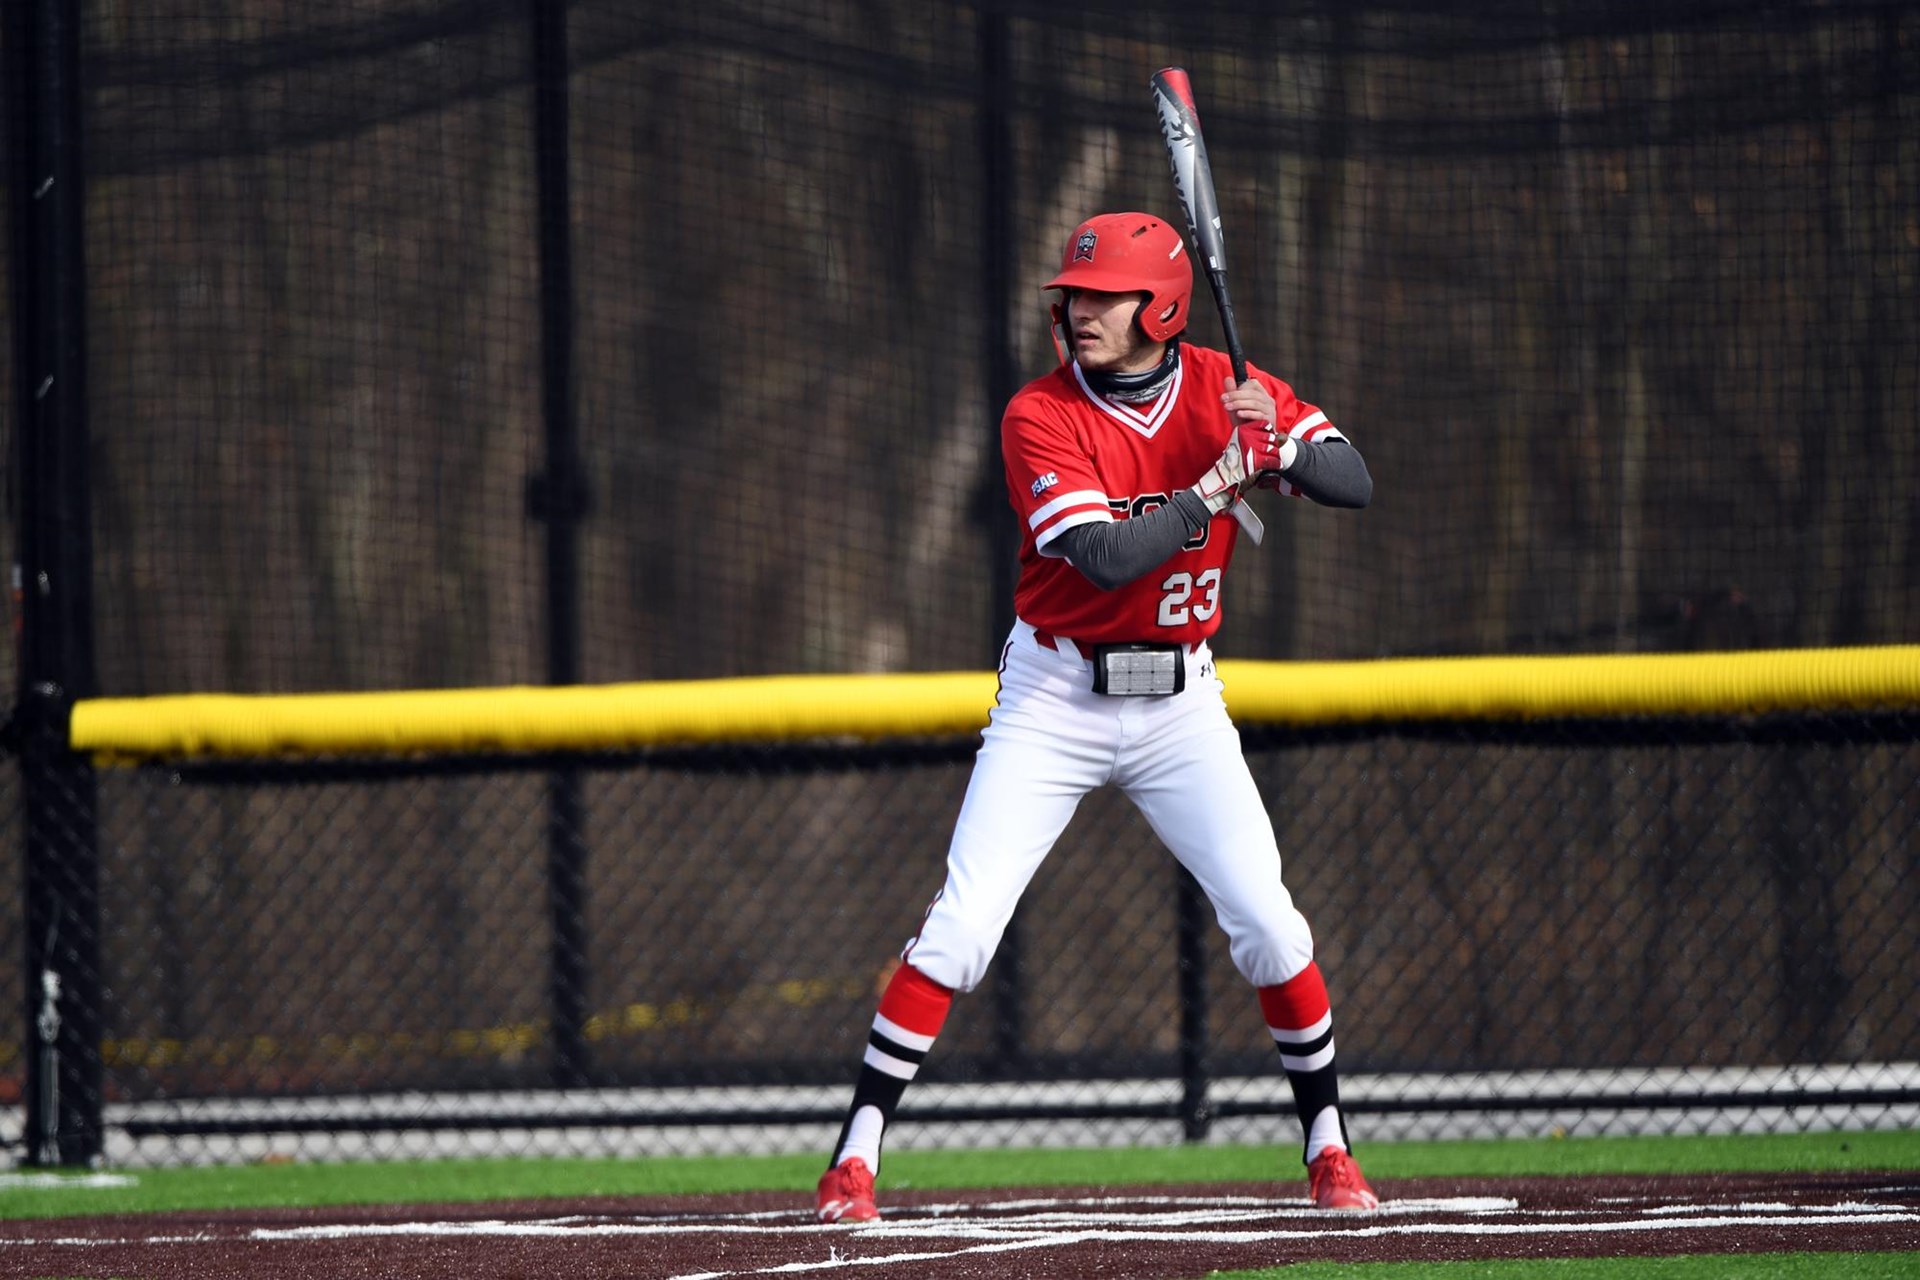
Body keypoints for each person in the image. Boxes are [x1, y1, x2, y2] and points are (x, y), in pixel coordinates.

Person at [814, 211, 1377, 1224]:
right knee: (962, 928)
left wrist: (1280, 439)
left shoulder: (1224, 388)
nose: (1078, 311)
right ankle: (852, 1160)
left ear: (1159, 306)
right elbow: (1110, 556)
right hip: (1055, 698)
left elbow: (1354, 482)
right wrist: (1220, 479)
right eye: (1072, 296)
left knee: (1270, 924)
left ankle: (1331, 1149)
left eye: (1102, 297)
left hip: (1182, 704)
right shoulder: (1038, 413)